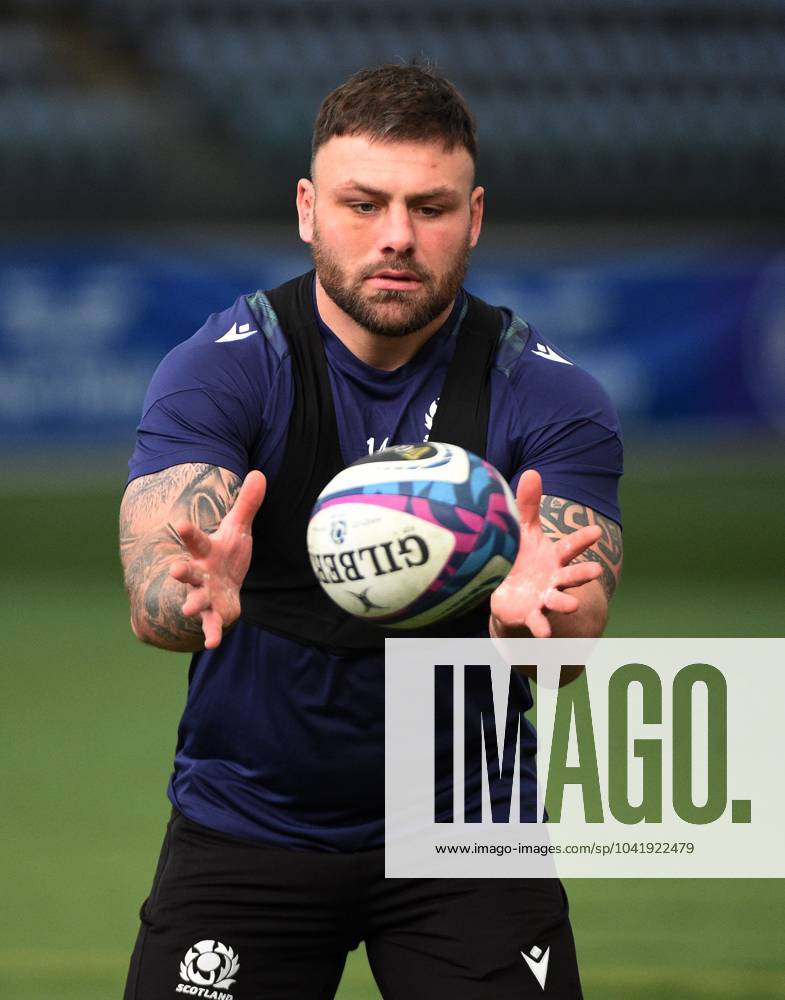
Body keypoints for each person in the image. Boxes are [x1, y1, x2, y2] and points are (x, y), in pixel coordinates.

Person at [120, 64, 623, 1000]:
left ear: (473, 217)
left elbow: (569, 638)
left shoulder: (551, 397)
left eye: (430, 207)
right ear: (308, 210)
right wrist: (189, 594)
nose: (397, 236)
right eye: (364, 204)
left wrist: (530, 624)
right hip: (247, 824)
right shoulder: (221, 371)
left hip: (468, 830)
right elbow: (156, 597)